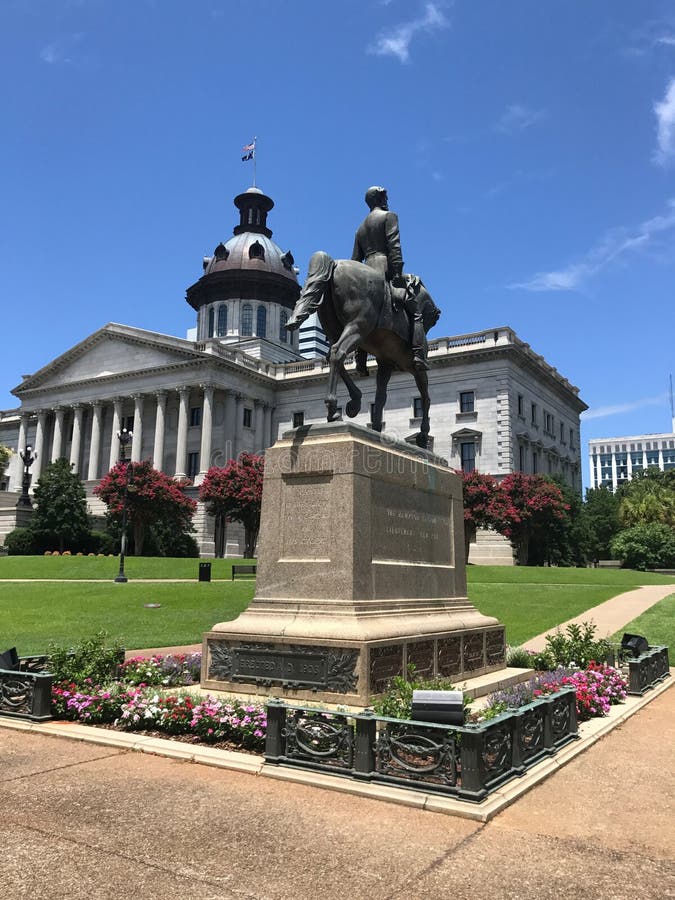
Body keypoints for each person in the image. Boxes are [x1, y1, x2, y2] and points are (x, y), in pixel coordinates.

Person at [352, 186, 428, 374]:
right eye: (385, 196)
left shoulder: (359, 229)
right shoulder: (389, 216)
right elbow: (395, 246)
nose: (387, 200)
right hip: (382, 267)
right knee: (416, 310)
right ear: (380, 199)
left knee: (361, 316)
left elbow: (354, 260)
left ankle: (360, 359)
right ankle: (418, 354)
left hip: (364, 271)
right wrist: (396, 276)